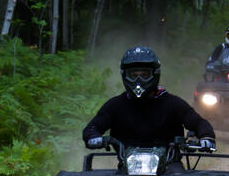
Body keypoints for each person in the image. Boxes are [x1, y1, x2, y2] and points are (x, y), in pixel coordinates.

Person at [83, 46, 216, 151]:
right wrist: (93, 137)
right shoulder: (115, 105)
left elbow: (198, 123)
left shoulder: (173, 103)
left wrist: (206, 136)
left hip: (169, 168)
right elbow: (92, 128)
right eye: (133, 75)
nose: (138, 80)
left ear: (155, 74)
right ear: (124, 75)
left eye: (144, 75)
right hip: (127, 167)